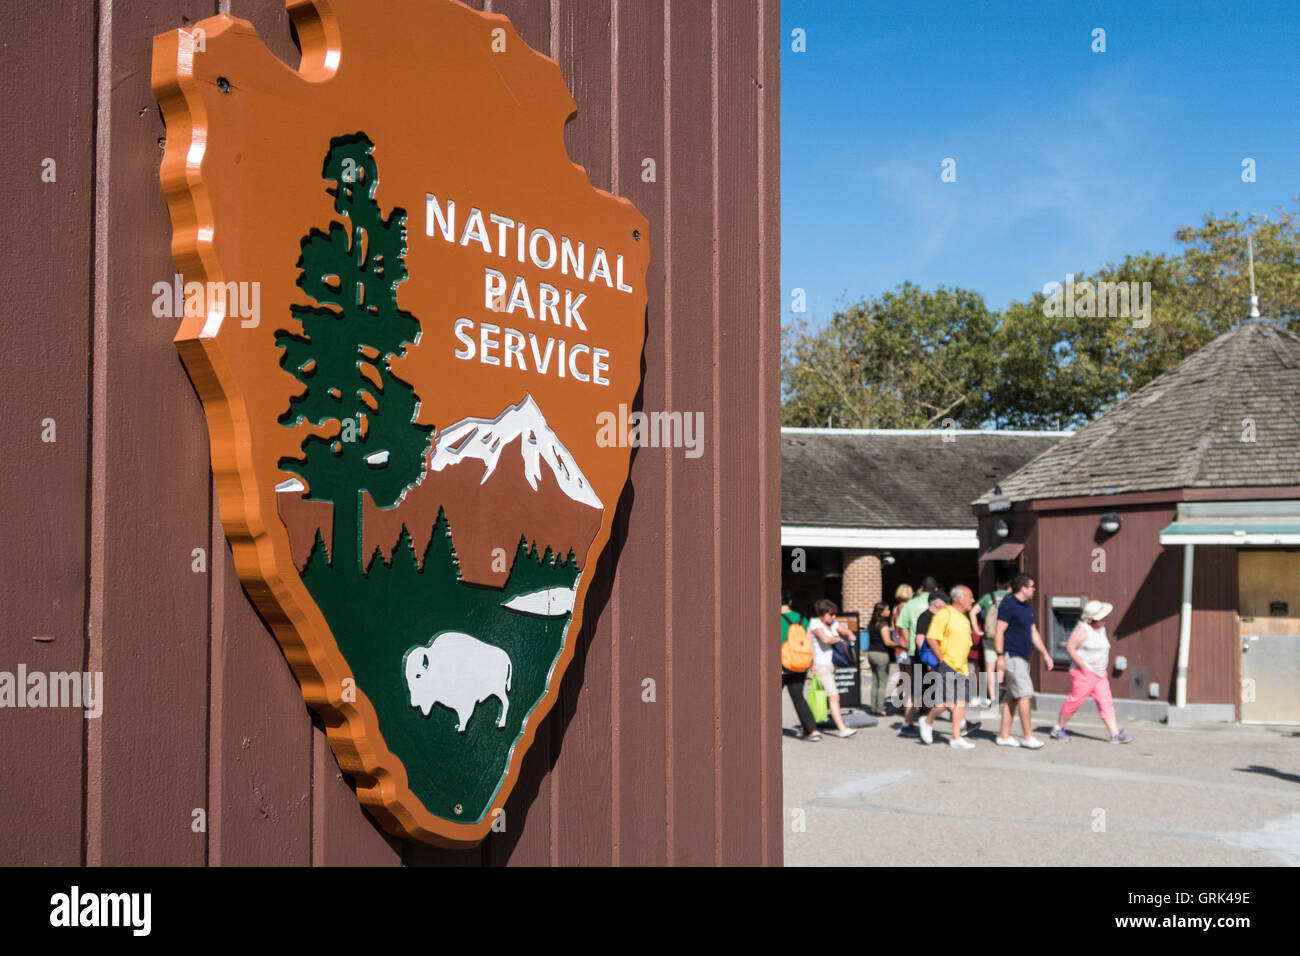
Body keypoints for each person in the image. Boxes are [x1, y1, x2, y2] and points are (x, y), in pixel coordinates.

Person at [1050, 600, 1134, 744]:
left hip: (1100, 673)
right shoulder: (1082, 629)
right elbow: (1070, 647)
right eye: (1101, 617)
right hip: (1084, 673)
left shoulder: (1101, 628)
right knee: (1074, 702)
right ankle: (1058, 728)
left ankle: (1114, 734)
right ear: (1092, 618)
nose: (1104, 619)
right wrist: (1083, 666)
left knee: (1106, 702)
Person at [994, 574, 1054, 749]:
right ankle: (1028, 737)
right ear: (1023, 588)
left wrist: (1045, 654)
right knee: (1026, 694)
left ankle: (1004, 735)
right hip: (1012, 656)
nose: (1034, 589)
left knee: (1012, 697)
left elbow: (1033, 632)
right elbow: (999, 631)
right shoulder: (1008, 605)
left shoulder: (1027, 608)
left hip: (1022, 657)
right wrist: (999, 657)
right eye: (1032, 586)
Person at [918, 585, 978, 748]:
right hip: (948, 664)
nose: (973, 600)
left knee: (960, 702)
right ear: (960, 598)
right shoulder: (944, 615)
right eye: (970, 597)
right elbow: (931, 639)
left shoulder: (964, 618)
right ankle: (927, 721)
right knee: (945, 702)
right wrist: (942, 660)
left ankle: (955, 737)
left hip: (962, 667)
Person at [807, 598, 858, 738]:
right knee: (834, 696)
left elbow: (845, 630)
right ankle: (842, 729)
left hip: (831, 666)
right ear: (822, 613)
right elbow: (825, 639)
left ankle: (806, 725)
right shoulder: (815, 623)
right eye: (831, 614)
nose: (834, 617)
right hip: (821, 666)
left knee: (823, 698)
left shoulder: (833, 623)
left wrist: (849, 634)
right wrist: (839, 639)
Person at [895, 576, 938, 736]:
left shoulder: (911, 603)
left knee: (916, 687)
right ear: (935, 589)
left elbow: (901, 625)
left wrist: (908, 641)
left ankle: (908, 722)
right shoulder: (937, 603)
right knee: (933, 686)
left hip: (914, 650)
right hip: (932, 650)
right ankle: (925, 719)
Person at [780, 594, 821, 741]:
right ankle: (812, 731)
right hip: (800, 664)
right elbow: (810, 642)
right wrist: (813, 663)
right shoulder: (802, 619)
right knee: (798, 697)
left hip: (781, 665)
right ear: (790, 602)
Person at [972, 577, 1012, 708]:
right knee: (1001, 665)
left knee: (990, 667)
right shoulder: (1009, 597)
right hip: (1005, 636)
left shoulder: (987, 597)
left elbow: (973, 612)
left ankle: (993, 698)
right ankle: (1000, 690)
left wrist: (977, 630)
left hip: (989, 636)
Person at [864, 602, 898, 716]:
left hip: (871, 653)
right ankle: (879, 709)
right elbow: (887, 642)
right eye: (887, 610)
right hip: (881, 655)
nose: (889, 612)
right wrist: (900, 645)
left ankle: (873, 708)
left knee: (875, 682)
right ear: (881, 612)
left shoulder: (871, 623)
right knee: (882, 683)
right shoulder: (883, 624)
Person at [891, 584, 915, 727]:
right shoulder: (908, 607)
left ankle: (900, 702)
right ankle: (909, 705)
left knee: (902, 675)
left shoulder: (895, 608)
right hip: (907, 645)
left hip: (898, 646)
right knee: (911, 676)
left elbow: (893, 628)